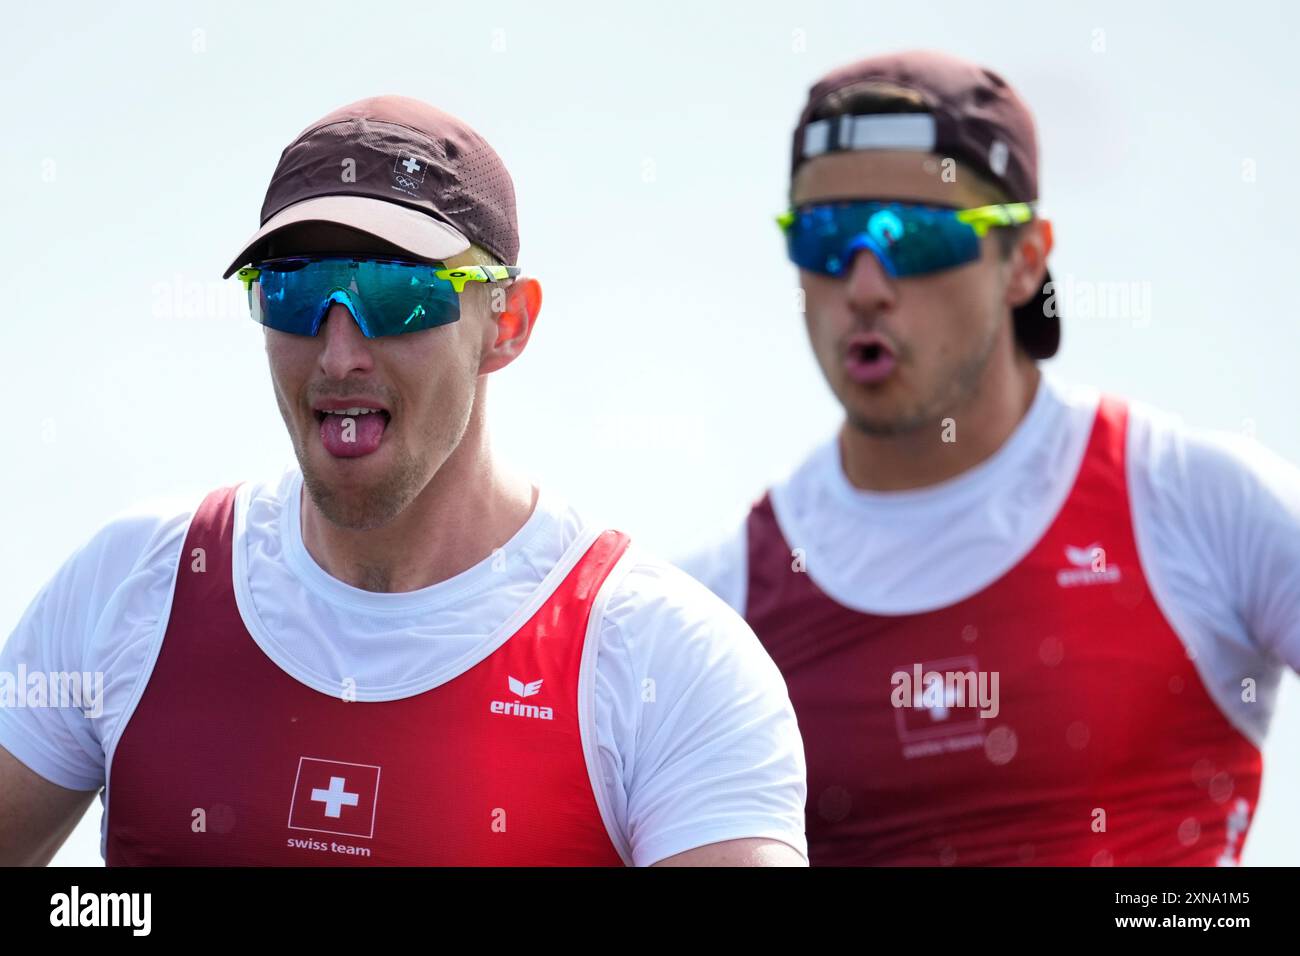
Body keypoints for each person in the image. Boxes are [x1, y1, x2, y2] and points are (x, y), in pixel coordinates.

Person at [0, 94, 808, 866]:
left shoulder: (666, 658)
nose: (339, 352)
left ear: (509, 323)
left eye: (398, 295)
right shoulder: (133, 582)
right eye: (296, 291)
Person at [679, 50, 1300, 866]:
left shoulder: (1205, 505)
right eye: (827, 239)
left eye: (919, 237)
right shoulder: (717, 609)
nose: (865, 285)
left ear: (1027, 259)